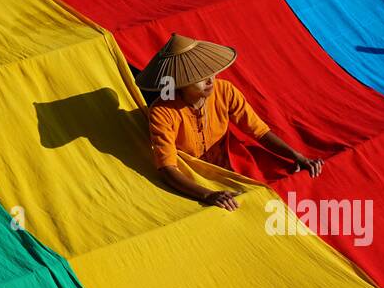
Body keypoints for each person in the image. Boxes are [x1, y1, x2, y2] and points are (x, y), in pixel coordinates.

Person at [135, 33, 322, 210]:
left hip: (228, 170)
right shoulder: (162, 111)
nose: (210, 80)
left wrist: (295, 155)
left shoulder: (225, 91)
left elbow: (259, 132)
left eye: (210, 72)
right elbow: (167, 168)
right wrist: (208, 195)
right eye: (199, 77)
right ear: (181, 82)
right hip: (189, 184)